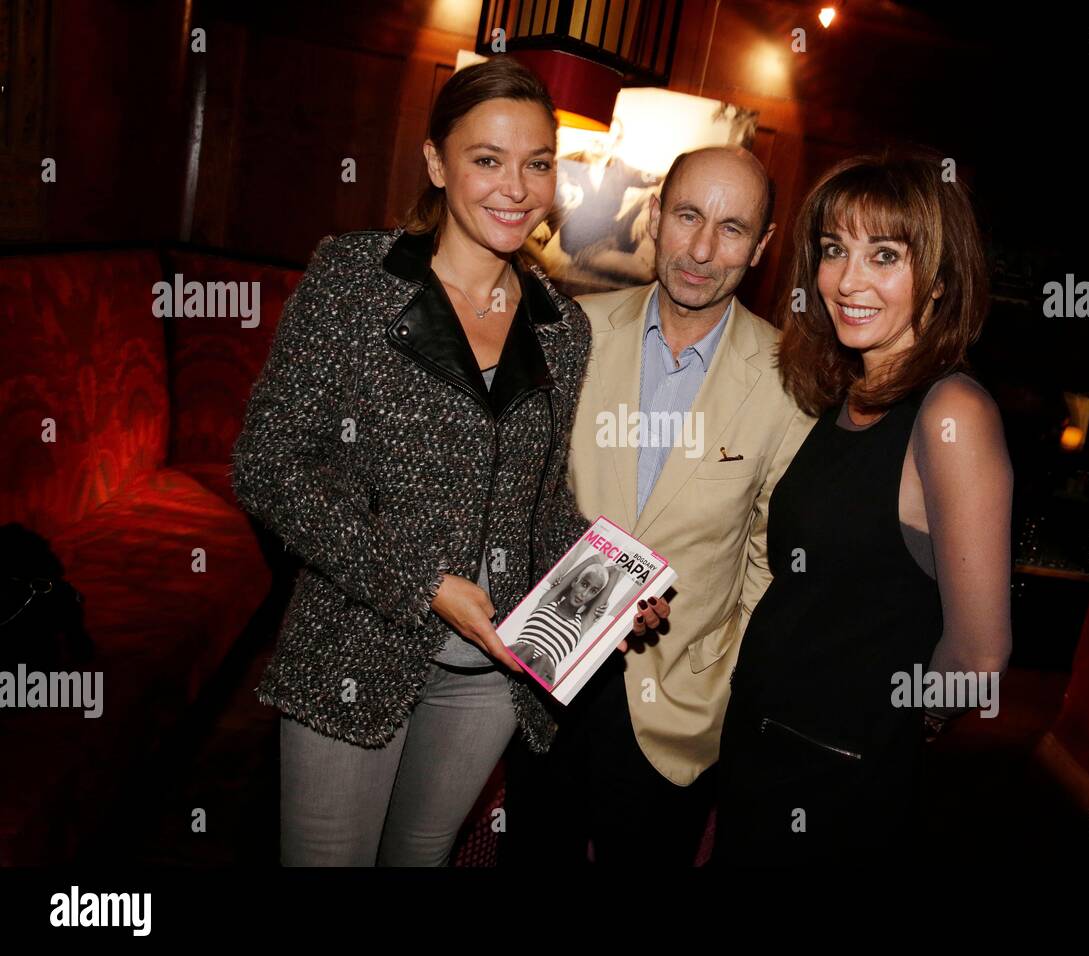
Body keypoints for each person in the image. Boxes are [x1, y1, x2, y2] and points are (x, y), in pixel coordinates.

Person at [231, 56, 665, 867]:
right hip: (355, 640)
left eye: (538, 163)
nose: (516, 188)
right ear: (436, 162)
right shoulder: (356, 279)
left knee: (423, 857)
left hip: (493, 671)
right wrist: (423, 582)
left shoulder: (561, 327)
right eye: (487, 159)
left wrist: (608, 592)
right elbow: (269, 465)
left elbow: (540, 503)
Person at [503, 145, 817, 866]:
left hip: (678, 705)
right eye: (688, 216)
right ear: (655, 214)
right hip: (547, 677)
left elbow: (771, 562)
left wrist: (725, 685)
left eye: (732, 229)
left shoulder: (789, 381)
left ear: (762, 246)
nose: (702, 250)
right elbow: (520, 492)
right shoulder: (572, 330)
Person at [713, 148, 1014, 865]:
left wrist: (897, 726)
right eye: (833, 250)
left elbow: (979, 654)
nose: (848, 281)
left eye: (885, 256)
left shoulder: (951, 412)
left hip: (835, 776)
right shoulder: (849, 397)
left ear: (940, 279)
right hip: (765, 744)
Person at [509, 554, 621, 685]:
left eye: (593, 591)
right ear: (574, 581)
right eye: (584, 584)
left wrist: (602, 575)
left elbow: (616, 571)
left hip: (541, 673)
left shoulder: (582, 624)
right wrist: (599, 570)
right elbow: (594, 559)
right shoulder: (549, 601)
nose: (584, 594)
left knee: (543, 661)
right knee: (528, 649)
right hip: (517, 655)